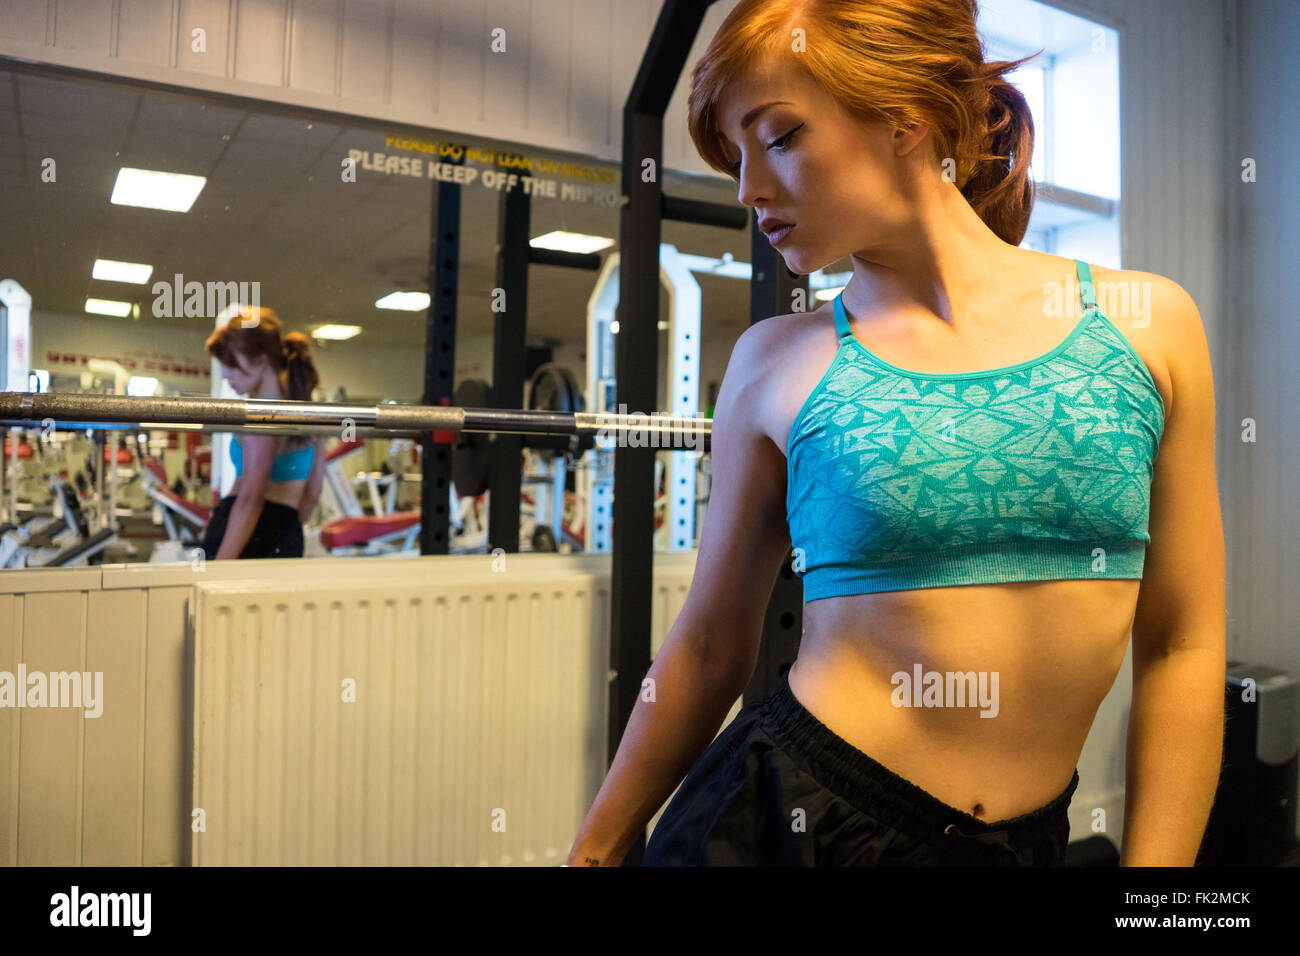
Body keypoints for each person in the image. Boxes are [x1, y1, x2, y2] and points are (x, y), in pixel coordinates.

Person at [568, 0, 1224, 866]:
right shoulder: (776, 362)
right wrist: (597, 849)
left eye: (779, 137)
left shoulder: (1146, 324)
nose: (748, 188)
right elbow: (710, 644)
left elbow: (1183, 642)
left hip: (1021, 847)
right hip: (789, 826)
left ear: (905, 114)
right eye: (736, 157)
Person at [200, 307, 328, 561]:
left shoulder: (260, 415)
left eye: (232, 364)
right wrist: (286, 528)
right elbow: (313, 492)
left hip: (245, 534)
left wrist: (219, 568)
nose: (225, 375)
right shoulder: (310, 414)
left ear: (260, 361)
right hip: (287, 531)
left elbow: (251, 498)